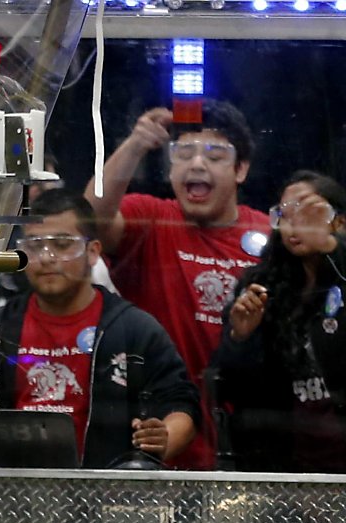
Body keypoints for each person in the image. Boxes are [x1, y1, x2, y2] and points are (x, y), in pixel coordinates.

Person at [86, 99, 268, 469]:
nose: (197, 164)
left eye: (215, 155)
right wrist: (135, 144)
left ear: (241, 169)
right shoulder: (151, 218)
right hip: (154, 430)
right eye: (183, 153)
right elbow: (88, 221)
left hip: (246, 435)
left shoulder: (266, 235)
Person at [0, 190, 197, 466]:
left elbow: (182, 405)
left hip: (107, 496)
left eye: (62, 244)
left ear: (93, 252)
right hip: (5, 496)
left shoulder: (135, 329)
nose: (46, 257)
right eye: (34, 245)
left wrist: (164, 437)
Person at [213, 171, 346, 473]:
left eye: (310, 214)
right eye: (285, 214)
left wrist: (332, 245)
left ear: (339, 222)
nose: (295, 224)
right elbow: (228, 385)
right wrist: (240, 337)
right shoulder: (260, 283)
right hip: (284, 461)